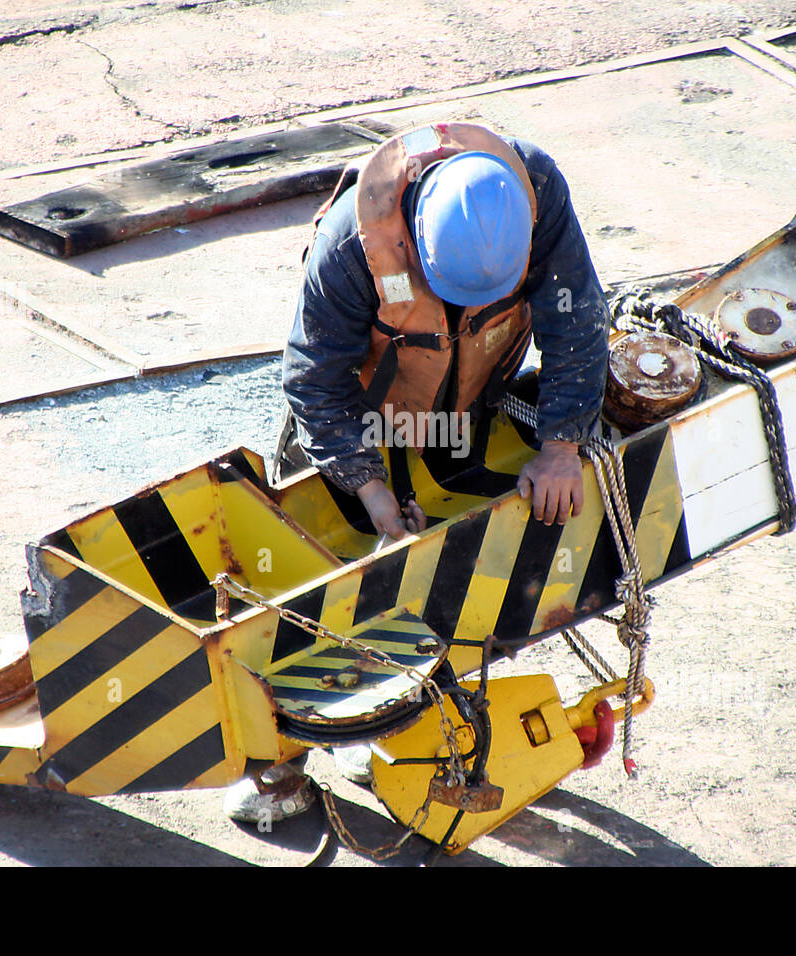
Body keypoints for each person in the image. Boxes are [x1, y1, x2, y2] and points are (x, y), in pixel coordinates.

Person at [225, 122, 612, 822]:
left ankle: (388, 729)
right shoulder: (355, 243)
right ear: (416, 245)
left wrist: (561, 445)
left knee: (436, 587)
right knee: (307, 593)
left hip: (465, 405)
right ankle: (273, 771)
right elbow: (314, 382)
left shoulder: (536, 192)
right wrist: (371, 495)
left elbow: (576, 317)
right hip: (356, 417)